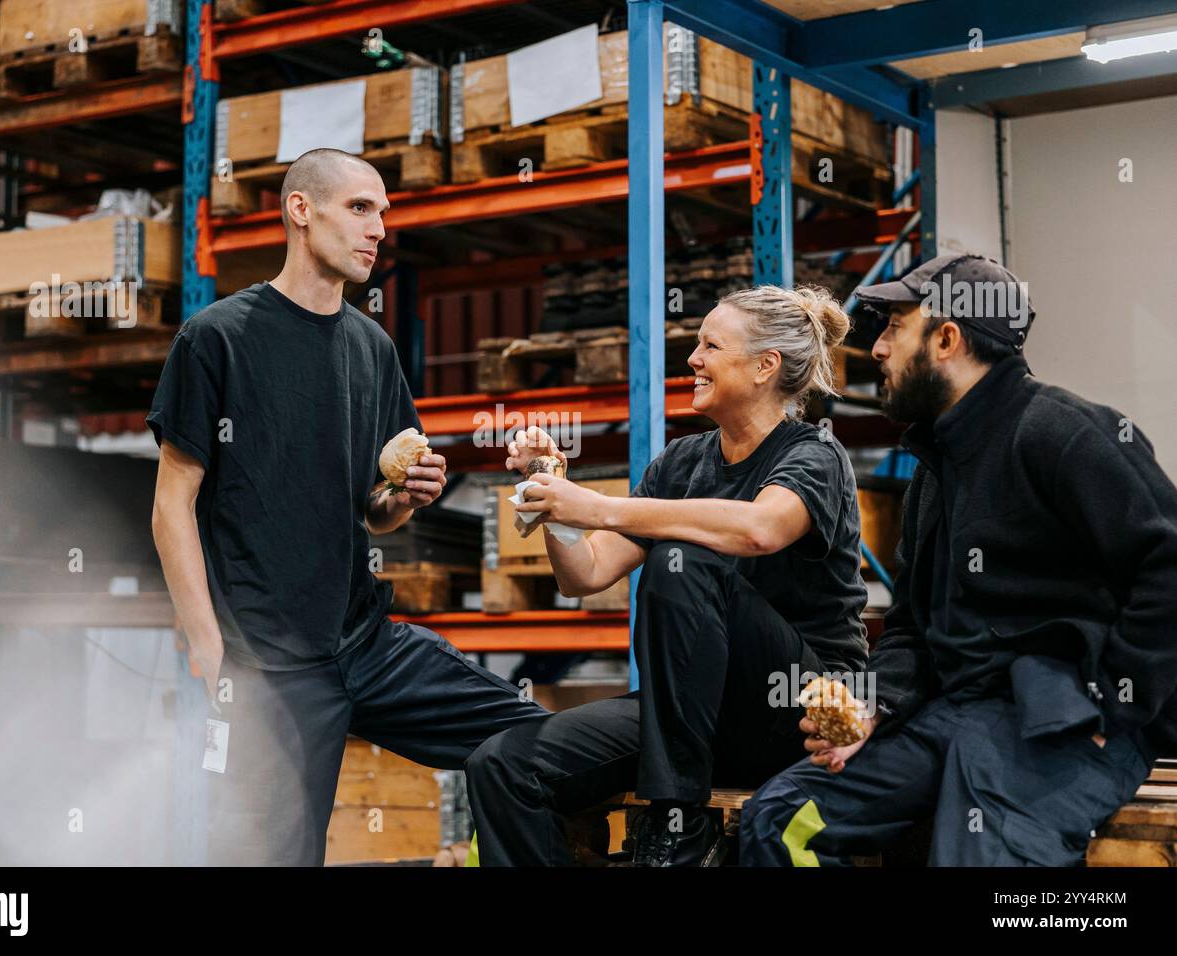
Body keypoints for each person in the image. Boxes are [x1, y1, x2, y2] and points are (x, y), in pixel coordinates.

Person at [147, 148, 547, 866]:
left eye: (384, 213)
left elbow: (373, 511)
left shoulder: (372, 348)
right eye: (361, 208)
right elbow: (171, 505)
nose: (379, 230)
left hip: (366, 642)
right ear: (301, 210)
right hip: (266, 662)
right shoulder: (217, 339)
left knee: (534, 743)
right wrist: (207, 646)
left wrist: (406, 497)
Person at [737, 253, 1177, 866]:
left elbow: (1168, 565)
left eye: (894, 327)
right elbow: (913, 626)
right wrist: (872, 706)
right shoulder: (935, 471)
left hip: (1058, 728)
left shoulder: (1062, 433)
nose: (879, 350)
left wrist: (1114, 703)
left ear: (946, 338)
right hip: (953, 718)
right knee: (781, 823)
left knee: (977, 859)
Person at [466, 285, 870, 866]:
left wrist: (600, 506)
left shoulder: (814, 455)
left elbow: (760, 528)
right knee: (502, 765)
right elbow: (586, 575)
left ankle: (678, 823)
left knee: (684, 558)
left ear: (765, 367)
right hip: (688, 715)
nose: (693, 359)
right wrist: (551, 501)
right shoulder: (682, 463)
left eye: (710, 345)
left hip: (793, 709)